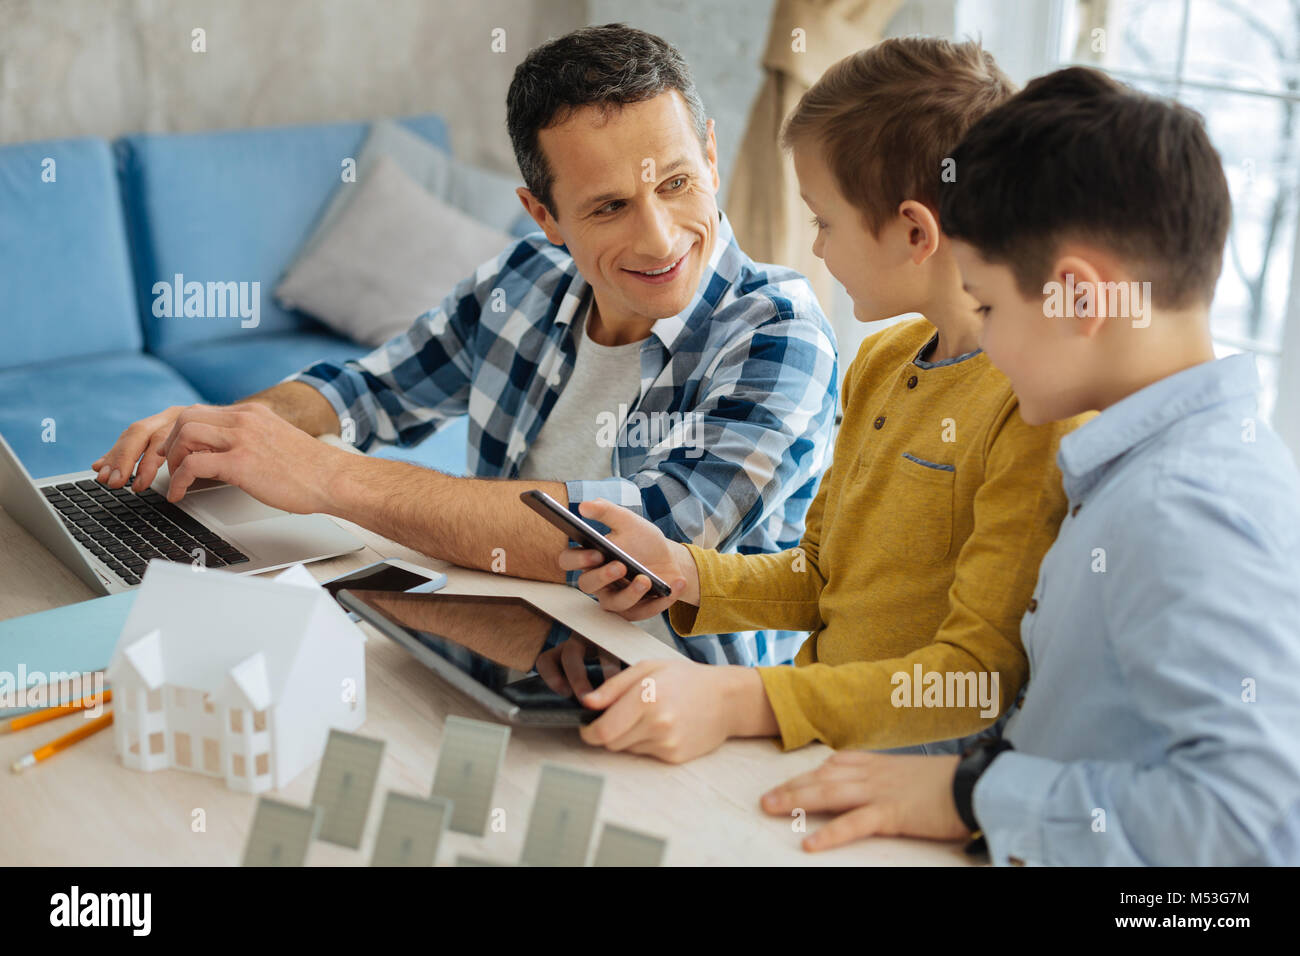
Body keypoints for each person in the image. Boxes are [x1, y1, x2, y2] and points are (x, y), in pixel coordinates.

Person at [91, 24, 838, 667]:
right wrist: (227, 430)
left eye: (676, 181)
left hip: (672, 695)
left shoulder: (779, 330)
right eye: (609, 205)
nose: (659, 235)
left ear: (710, 154)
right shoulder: (525, 279)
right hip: (490, 642)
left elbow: (652, 538)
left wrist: (326, 477)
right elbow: (365, 392)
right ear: (543, 214)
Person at [761, 67, 1300, 865]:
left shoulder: (1179, 504)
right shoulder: (1144, 470)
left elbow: (1258, 827)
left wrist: (970, 795)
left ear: (1080, 299)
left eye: (987, 306)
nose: (980, 336)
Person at [556, 37, 1088, 762]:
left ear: (913, 232)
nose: (819, 249)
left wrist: (747, 702)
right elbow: (819, 576)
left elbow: (974, 678)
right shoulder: (882, 360)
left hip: (909, 786)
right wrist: (683, 570)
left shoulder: (1032, 406)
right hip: (817, 741)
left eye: (824, 221)